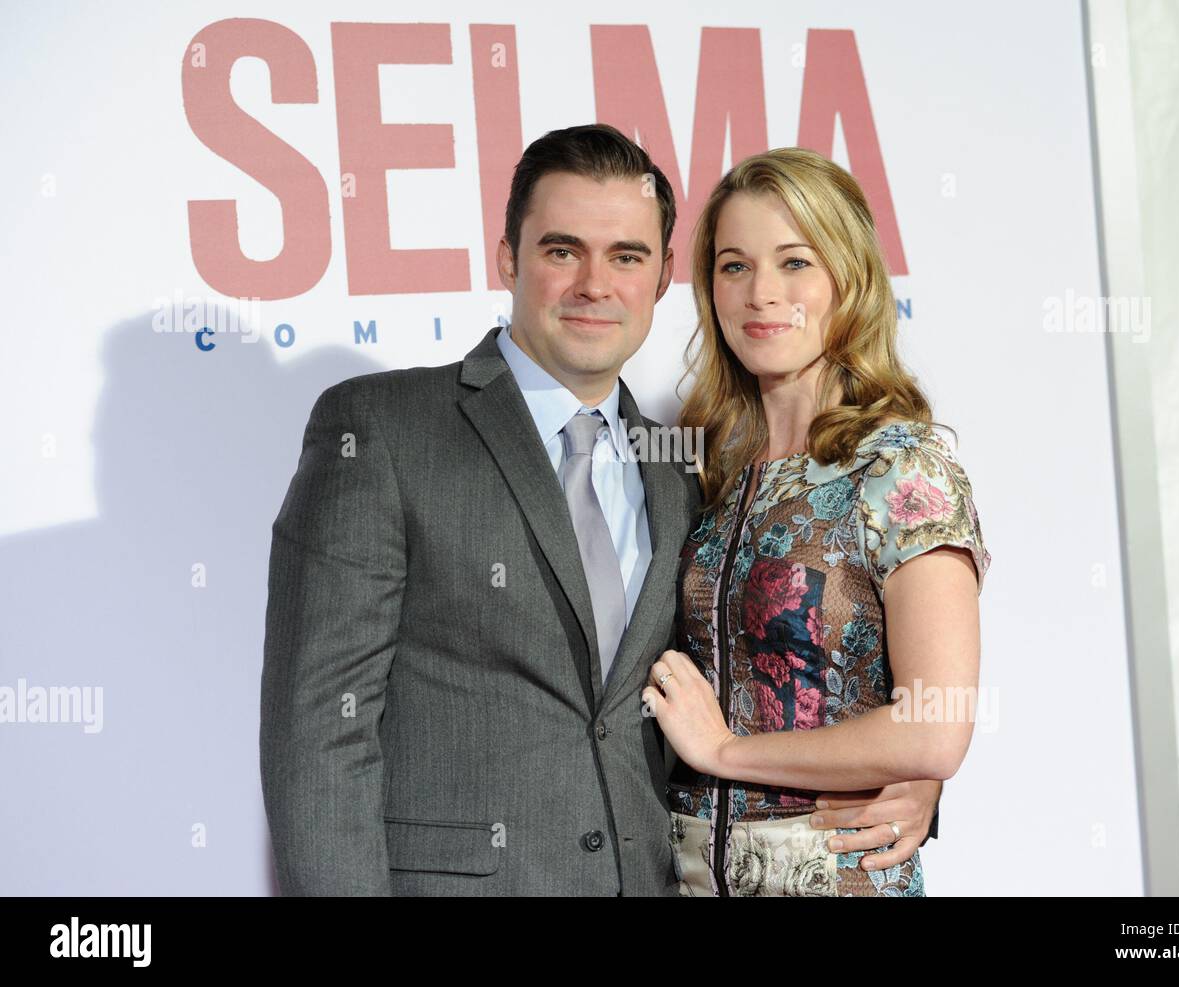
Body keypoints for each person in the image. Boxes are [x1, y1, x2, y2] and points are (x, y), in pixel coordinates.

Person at [260, 124, 939, 896]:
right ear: (509, 258)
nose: (594, 283)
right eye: (561, 250)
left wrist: (906, 776)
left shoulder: (692, 466)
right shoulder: (383, 430)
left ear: (660, 280)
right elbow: (316, 733)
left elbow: (766, 674)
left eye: (626, 256)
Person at [644, 147, 991, 897]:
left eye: (794, 262)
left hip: (836, 877)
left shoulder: (902, 469)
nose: (763, 293)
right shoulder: (705, 466)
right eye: (734, 266)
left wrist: (728, 751)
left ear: (850, 278)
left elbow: (935, 724)